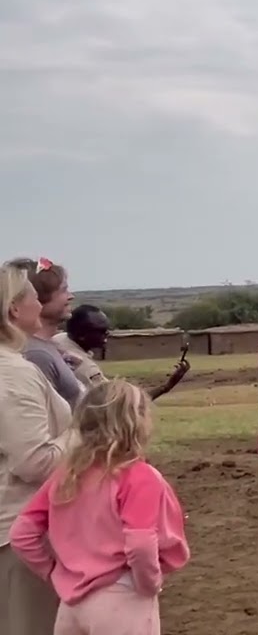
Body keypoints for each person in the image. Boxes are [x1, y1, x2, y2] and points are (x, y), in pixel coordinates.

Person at [8, 380, 190, 635]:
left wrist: (53, 573)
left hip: (71, 605)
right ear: (138, 424)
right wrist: (148, 584)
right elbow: (140, 543)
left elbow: (21, 534)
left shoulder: (66, 476)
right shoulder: (139, 477)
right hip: (121, 597)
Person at [0, 261, 72, 634]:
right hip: (20, 535)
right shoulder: (13, 372)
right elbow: (35, 462)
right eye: (31, 295)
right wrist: (84, 431)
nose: (38, 303)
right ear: (14, 308)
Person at [54, 305, 191, 400]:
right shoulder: (86, 369)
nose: (107, 333)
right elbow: (122, 404)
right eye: (100, 331)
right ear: (82, 335)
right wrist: (166, 387)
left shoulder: (57, 341)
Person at [10, 258, 83, 405]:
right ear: (38, 297)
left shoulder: (46, 347)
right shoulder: (36, 355)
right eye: (63, 290)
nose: (70, 296)